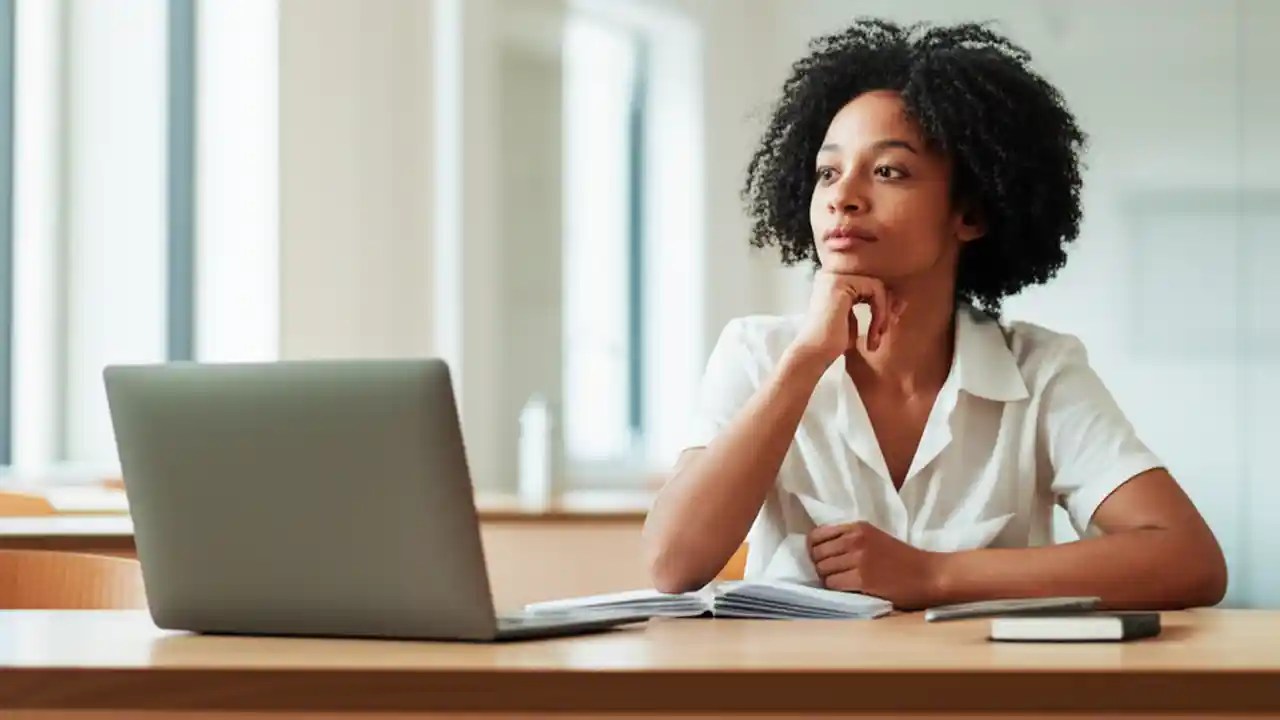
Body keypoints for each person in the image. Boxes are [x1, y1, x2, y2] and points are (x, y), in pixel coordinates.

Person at [641, 19, 1227, 610]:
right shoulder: (757, 354)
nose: (844, 195)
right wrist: (807, 360)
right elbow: (672, 564)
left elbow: (1188, 559)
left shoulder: (1042, 371)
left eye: (888, 171)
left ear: (969, 214)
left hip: (984, 698)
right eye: (827, 172)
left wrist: (936, 576)